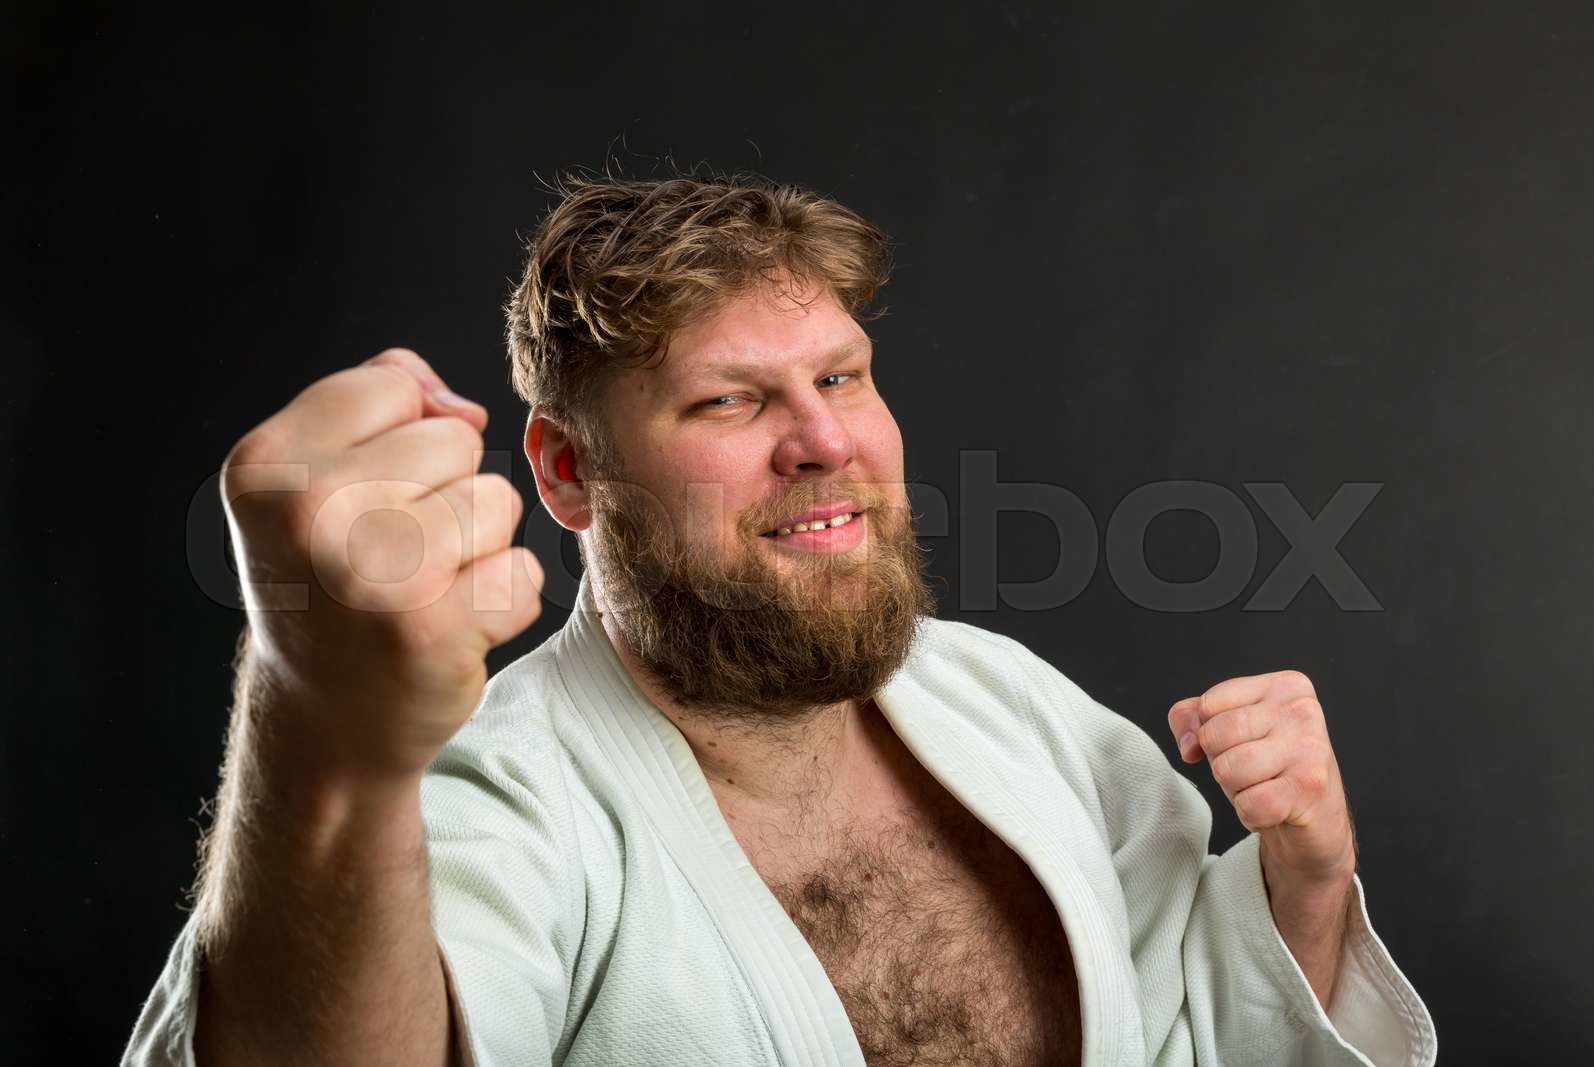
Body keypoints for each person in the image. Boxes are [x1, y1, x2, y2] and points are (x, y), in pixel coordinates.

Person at [124, 174, 1438, 1066]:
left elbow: (1199, 1033)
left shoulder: (1011, 707)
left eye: (842, 376)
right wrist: (326, 742)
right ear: (568, 470)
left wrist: (1305, 884)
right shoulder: (502, 803)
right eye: (729, 403)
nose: (822, 440)